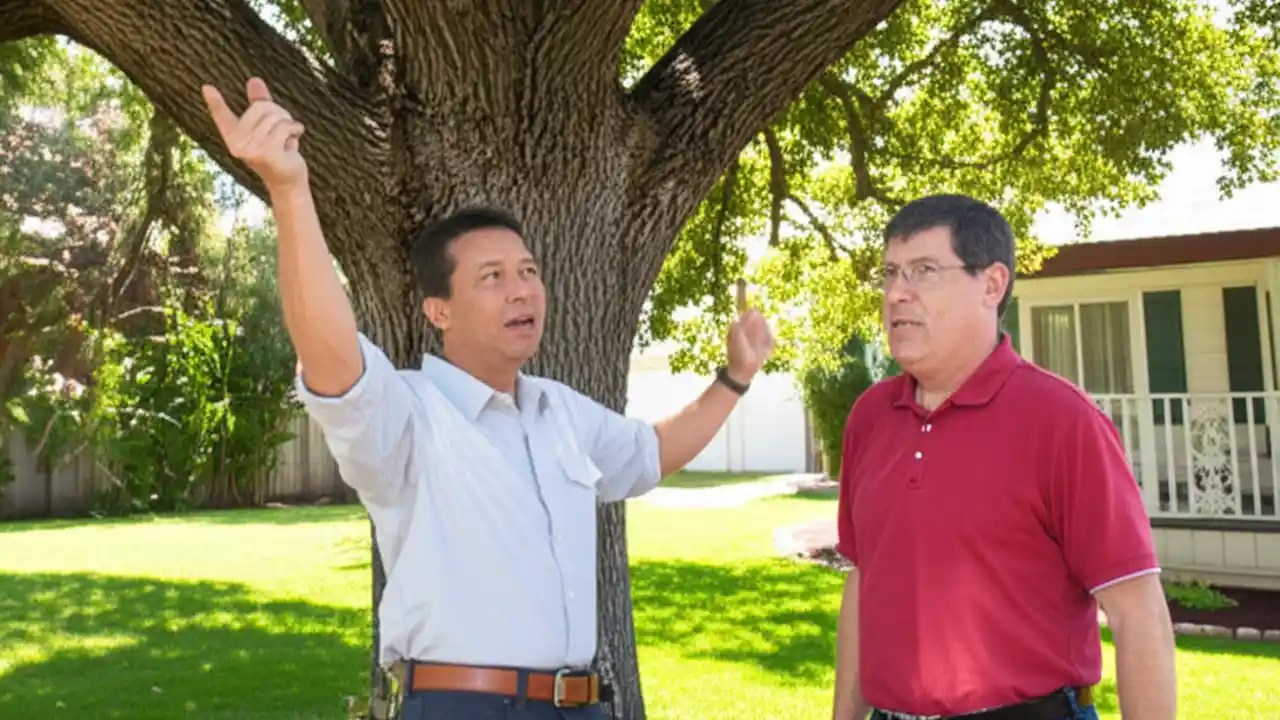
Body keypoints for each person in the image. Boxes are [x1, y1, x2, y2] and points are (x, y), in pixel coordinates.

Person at [201, 77, 775, 719]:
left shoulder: (561, 411)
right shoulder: (407, 418)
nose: (523, 289)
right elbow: (331, 350)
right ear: (438, 310)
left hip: (581, 705)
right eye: (493, 278)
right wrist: (288, 188)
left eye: (529, 271)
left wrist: (734, 378)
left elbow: (648, 453)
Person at [831, 194, 1177, 720]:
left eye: (924, 271)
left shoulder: (1064, 422)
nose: (897, 293)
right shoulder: (870, 418)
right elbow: (863, 582)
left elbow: (1138, 614)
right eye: (890, 273)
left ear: (992, 284)